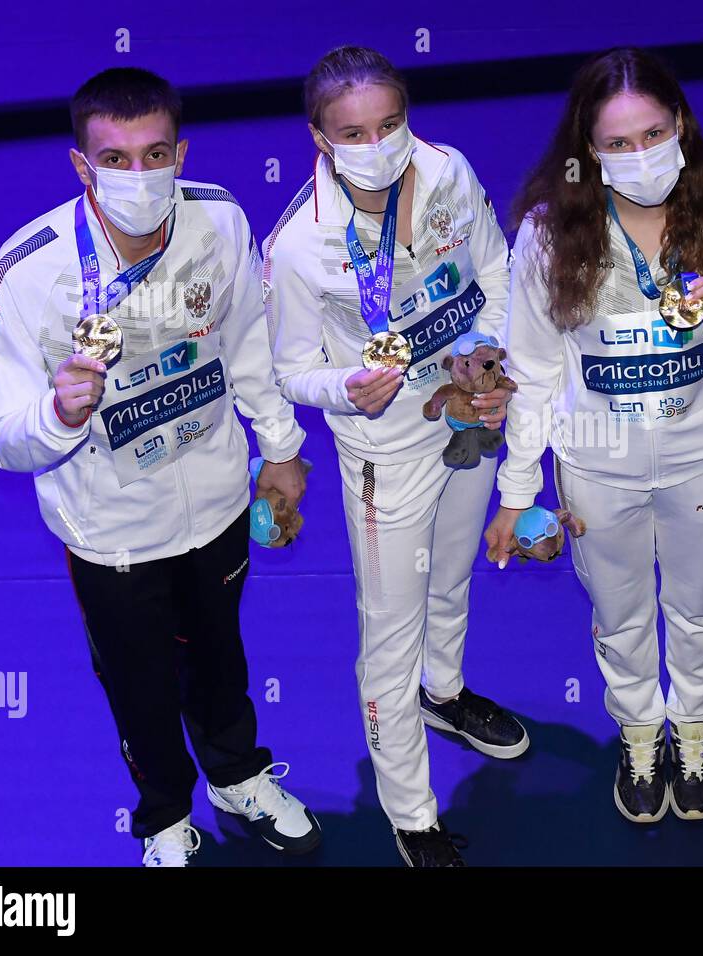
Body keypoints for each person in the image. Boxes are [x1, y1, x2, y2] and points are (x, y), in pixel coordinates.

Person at [0, 67, 321, 867]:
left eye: (154, 152)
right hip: (111, 534)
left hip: (221, 502)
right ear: (80, 163)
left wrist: (281, 448)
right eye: (115, 156)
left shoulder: (219, 219)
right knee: (141, 687)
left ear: (181, 150)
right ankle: (164, 815)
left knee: (222, 658)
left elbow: (246, 343)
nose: (138, 173)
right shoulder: (27, 270)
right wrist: (58, 413)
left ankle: (237, 776)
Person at [486, 48, 703, 825]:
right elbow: (536, 373)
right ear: (587, 149)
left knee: (697, 604)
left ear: (681, 124)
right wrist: (518, 494)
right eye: (616, 144)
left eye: (652, 133)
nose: (639, 155)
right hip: (595, 467)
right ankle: (639, 733)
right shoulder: (550, 236)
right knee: (617, 611)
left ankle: (695, 731)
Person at [263, 46, 526, 867]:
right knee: (391, 629)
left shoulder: (447, 170)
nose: (378, 143)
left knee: (452, 574)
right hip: (387, 450)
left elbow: (495, 269)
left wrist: (489, 356)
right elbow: (291, 369)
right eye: (353, 131)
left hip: (470, 410)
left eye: (389, 123)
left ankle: (444, 695)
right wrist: (348, 388)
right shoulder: (298, 248)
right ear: (318, 136)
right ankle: (412, 814)